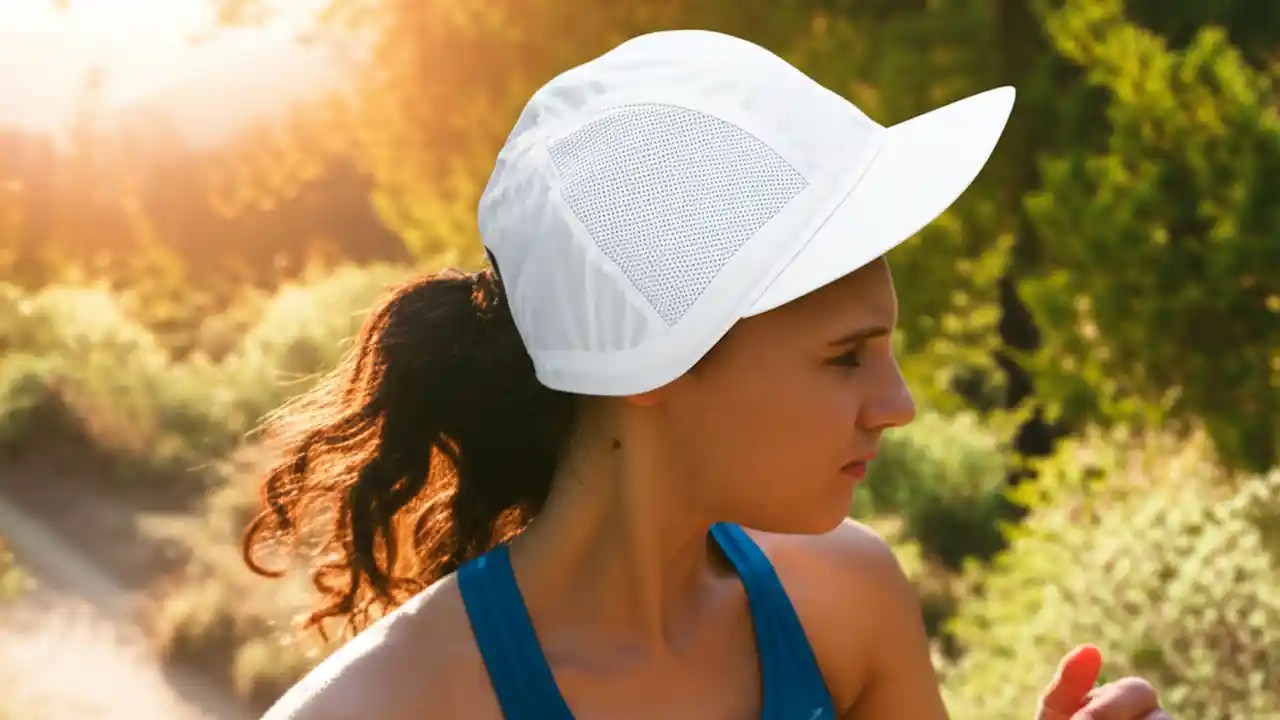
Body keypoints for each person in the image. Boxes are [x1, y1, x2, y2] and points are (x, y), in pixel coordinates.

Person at [249, 29, 1174, 719]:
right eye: (845, 358)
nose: (898, 408)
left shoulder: (848, 603)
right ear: (652, 361)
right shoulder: (384, 708)